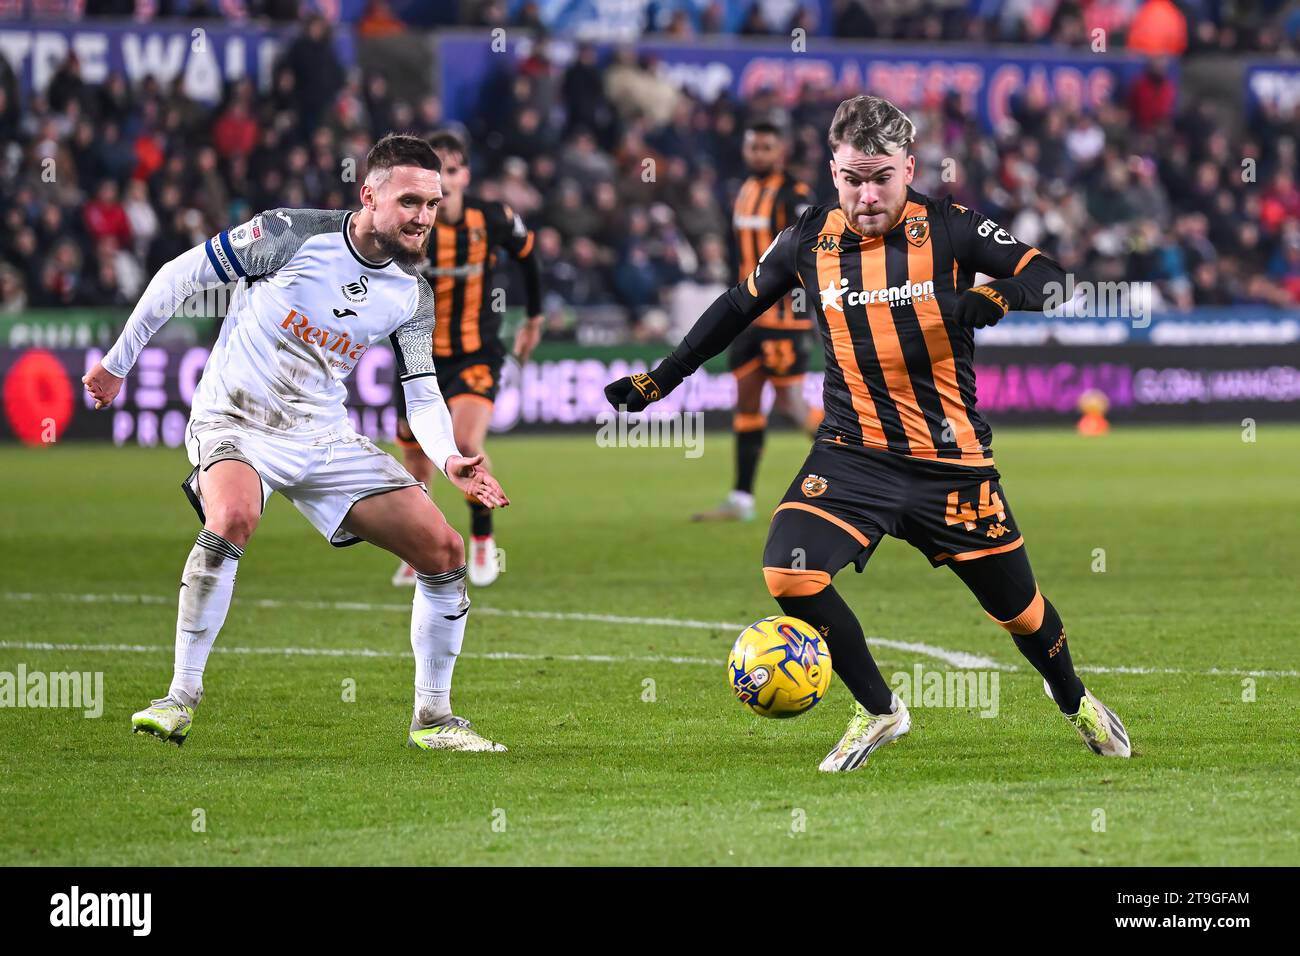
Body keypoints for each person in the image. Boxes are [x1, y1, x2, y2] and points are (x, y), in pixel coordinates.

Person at [605, 96, 1131, 772]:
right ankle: (881, 709)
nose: (867, 193)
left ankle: (1075, 700)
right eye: (853, 178)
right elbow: (738, 304)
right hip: (853, 455)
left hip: (952, 463)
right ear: (833, 171)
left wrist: (995, 296)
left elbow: (1053, 279)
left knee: (1023, 615)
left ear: (910, 168)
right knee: (788, 573)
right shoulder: (807, 238)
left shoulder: (949, 226)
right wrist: (663, 379)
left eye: (881, 176)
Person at [81, 134, 512, 753]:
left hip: (320, 435)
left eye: (433, 204)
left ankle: (434, 718)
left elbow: (421, 392)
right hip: (234, 417)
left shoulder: (412, 293)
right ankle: (178, 699)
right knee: (232, 516)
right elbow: (182, 275)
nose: (424, 218)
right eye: (411, 202)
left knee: (444, 548)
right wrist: (119, 362)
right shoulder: (288, 234)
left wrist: (450, 458)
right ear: (369, 196)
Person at [391, 131, 542, 588]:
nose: (446, 179)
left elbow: (529, 255)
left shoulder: (491, 217)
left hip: (476, 352)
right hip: (416, 358)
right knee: (416, 462)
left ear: (466, 174)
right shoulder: (410, 224)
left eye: (453, 169)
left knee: (463, 441)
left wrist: (534, 317)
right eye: (438, 170)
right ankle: (424, 550)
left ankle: (481, 538)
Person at [694, 120, 818, 522]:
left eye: (766, 147)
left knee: (790, 404)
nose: (758, 154)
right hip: (746, 316)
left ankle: (866, 468)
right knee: (746, 399)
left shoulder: (794, 195)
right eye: (753, 146)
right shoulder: (744, 192)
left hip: (784, 318)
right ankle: (742, 499)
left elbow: (811, 251)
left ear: (780, 151)